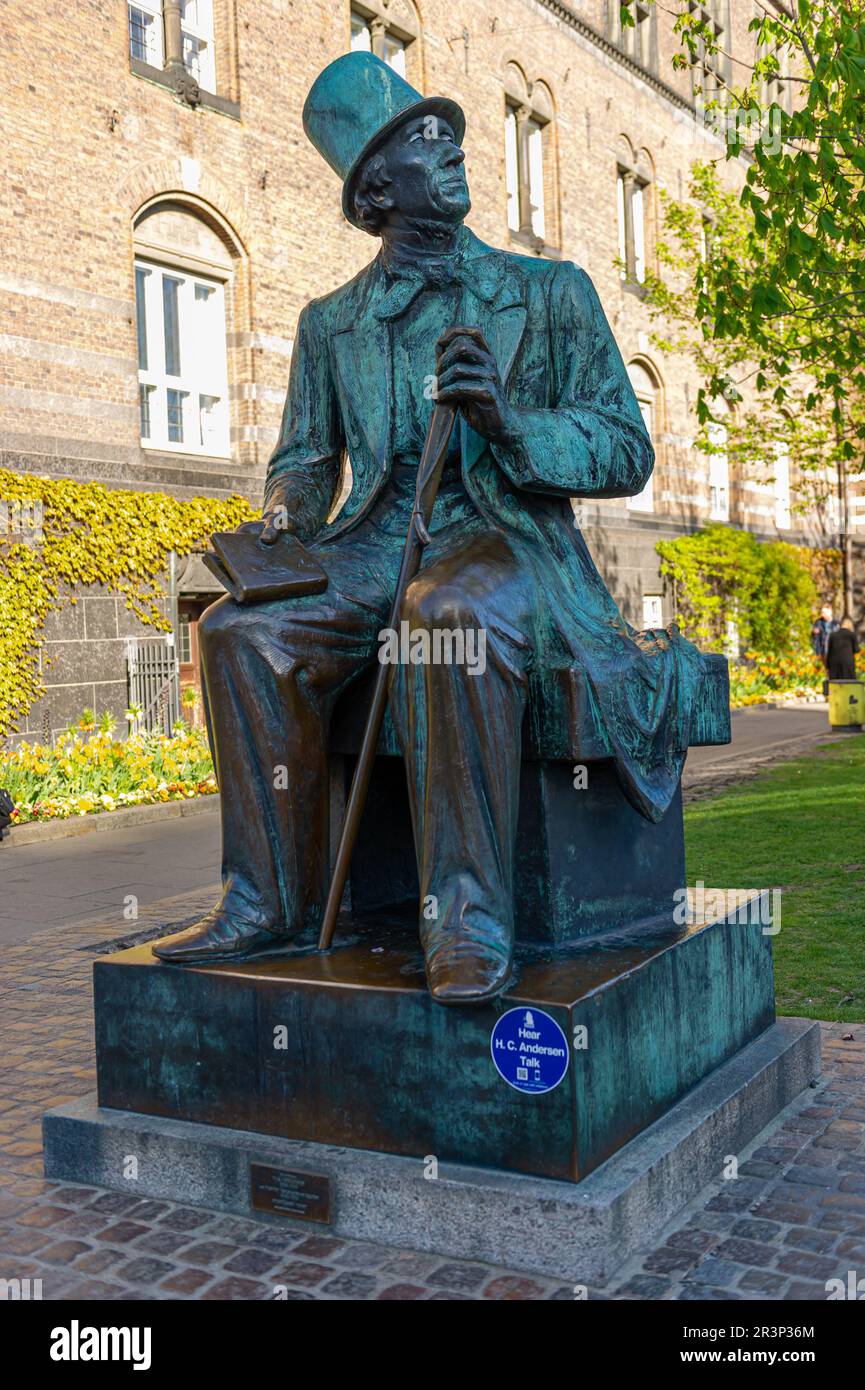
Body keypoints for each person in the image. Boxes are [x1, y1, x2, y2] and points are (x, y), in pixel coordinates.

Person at [152, 52, 705, 1004]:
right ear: (376, 185)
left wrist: (508, 422)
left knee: (443, 610)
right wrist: (285, 511)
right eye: (423, 138)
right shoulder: (332, 323)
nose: (452, 148)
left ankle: (465, 921)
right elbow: (306, 457)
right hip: (369, 542)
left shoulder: (549, 293)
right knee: (237, 633)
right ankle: (269, 903)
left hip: (504, 540)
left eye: (449, 131)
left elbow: (624, 447)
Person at [826, 617, 860, 681]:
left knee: (835, 685)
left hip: (834, 664)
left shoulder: (832, 635)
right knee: (848, 684)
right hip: (848, 663)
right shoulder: (852, 635)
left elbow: (829, 652)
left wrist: (827, 667)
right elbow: (856, 650)